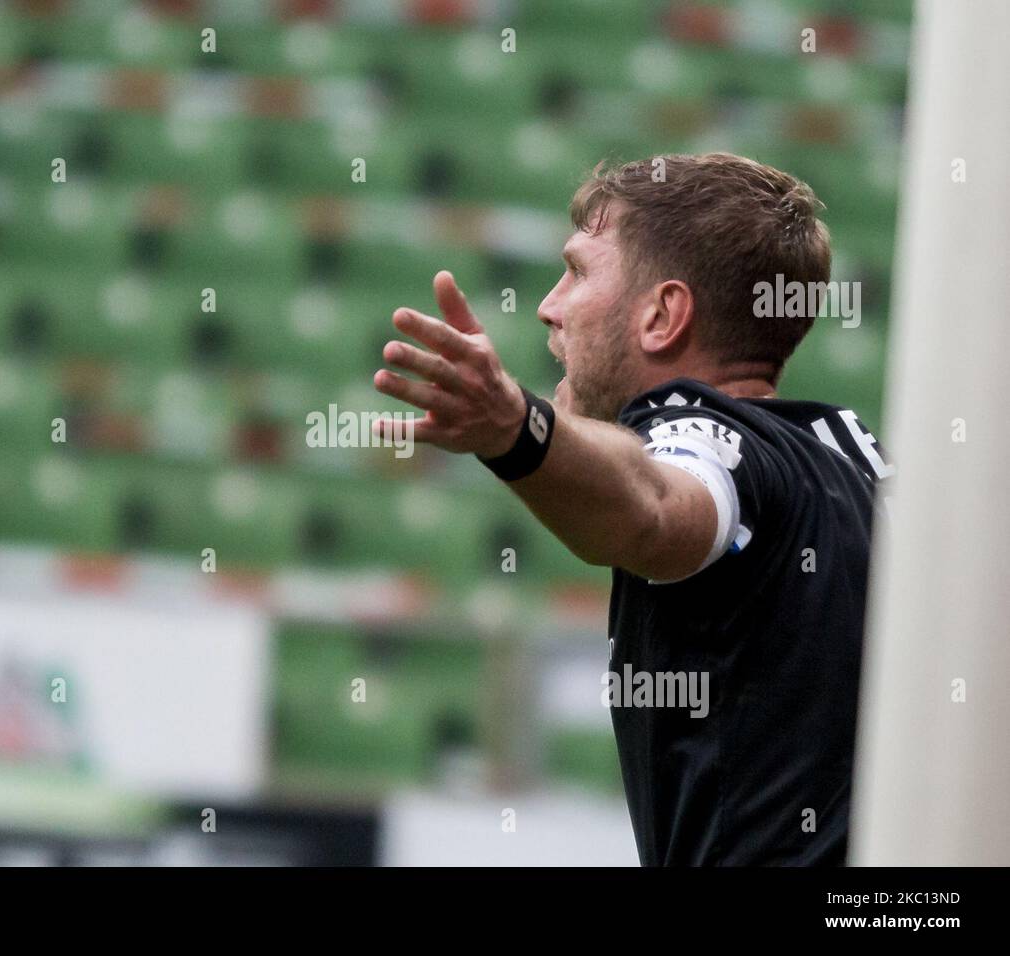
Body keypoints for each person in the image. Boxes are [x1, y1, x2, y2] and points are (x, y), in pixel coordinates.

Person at [372, 153, 893, 865]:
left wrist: (513, 430)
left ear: (662, 315)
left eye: (579, 272)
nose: (549, 306)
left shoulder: (706, 436)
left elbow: (652, 502)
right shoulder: (860, 456)